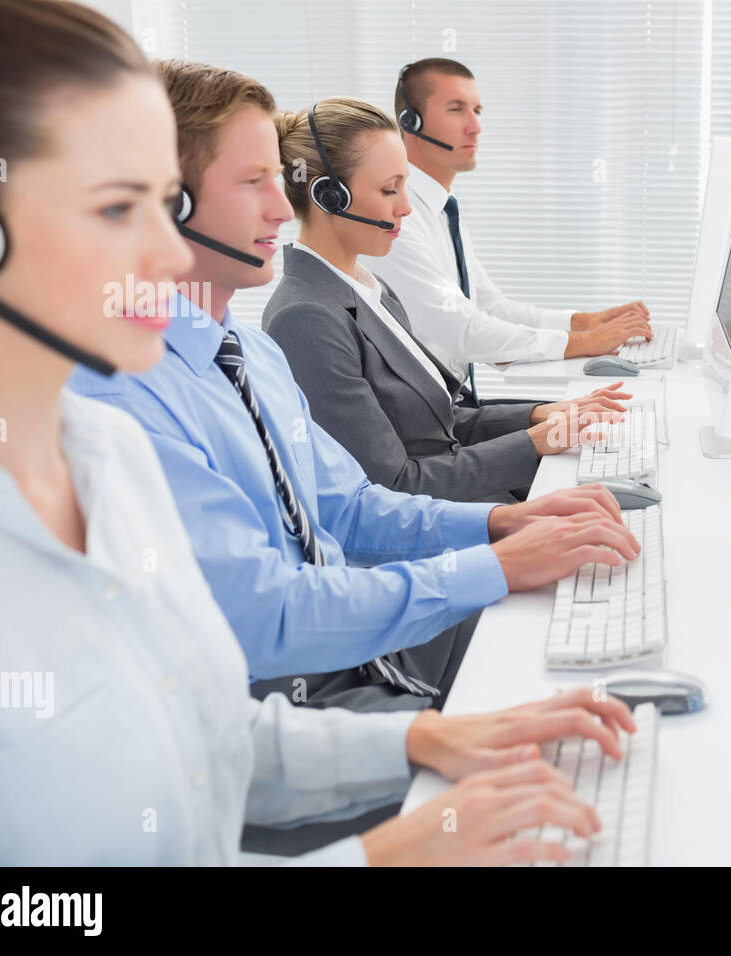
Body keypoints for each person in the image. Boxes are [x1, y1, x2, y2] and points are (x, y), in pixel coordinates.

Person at [0, 0, 636, 868]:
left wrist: (422, 741)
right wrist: (381, 858)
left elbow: (205, 738)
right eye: (120, 208)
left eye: (165, 204)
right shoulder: (104, 438)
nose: (168, 255)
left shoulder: (102, 455)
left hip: (333, 715)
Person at [68, 59, 641, 718]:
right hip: (302, 701)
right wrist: (496, 565)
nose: (283, 206)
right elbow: (271, 616)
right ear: (168, 204)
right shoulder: (124, 401)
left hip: (360, 657)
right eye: (254, 182)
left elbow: (350, 509)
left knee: (587, 656)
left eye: (278, 178)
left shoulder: (252, 355)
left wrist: (502, 523)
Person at [265, 96, 634, 503]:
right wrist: (534, 443)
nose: (406, 208)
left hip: (458, 492)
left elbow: (434, 425)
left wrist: (541, 416)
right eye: (389, 189)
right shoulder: (306, 317)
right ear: (328, 196)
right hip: (437, 515)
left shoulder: (370, 289)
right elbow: (391, 486)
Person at [360, 57, 655, 385]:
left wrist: (584, 323)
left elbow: (490, 307)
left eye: (477, 111)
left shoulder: (442, 210)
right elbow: (461, 330)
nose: (475, 127)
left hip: (453, 402)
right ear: (410, 122)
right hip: (425, 410)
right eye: (456, 109)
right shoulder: (396, 216)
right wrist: (584, 343)